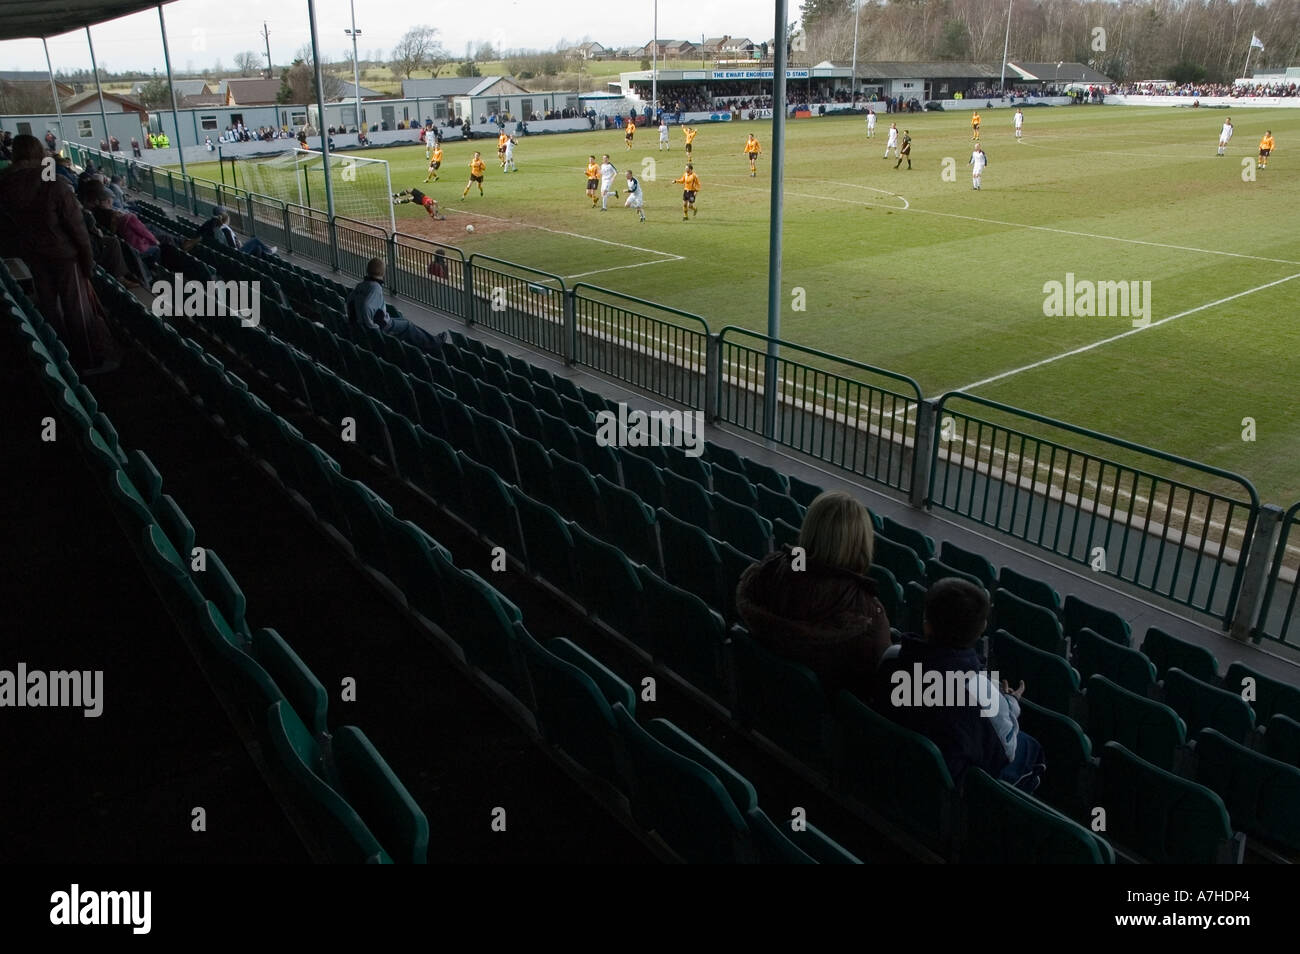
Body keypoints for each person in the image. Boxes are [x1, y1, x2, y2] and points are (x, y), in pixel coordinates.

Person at [874, 579, 1046, 792]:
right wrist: (1011, 703)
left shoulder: (892, 657)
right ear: (981, 629)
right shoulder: (984, 694)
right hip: (941, 795)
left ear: (926, 623)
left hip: (890, 766)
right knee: (1031, 747)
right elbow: (1008, 751)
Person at [735, 491, 892, 701]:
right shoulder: (868, 615)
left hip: (764, 701)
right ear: (861, 544)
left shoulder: (770, 570)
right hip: (826, 724)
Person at [0, 135, 116, 372]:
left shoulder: (5, 183)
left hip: (32, 254)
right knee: (76, 308)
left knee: (49, 305)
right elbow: (77, 227)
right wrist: (87, 260)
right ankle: (87, 360)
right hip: (63, 255)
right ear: (38, 153)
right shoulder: (51, 183)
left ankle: (60, 356)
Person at [347, 257, 447, 354]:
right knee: (408, 326)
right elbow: (366, 307)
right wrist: (372, 327)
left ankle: (429, 341)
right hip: (384, 326)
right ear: (382, 272)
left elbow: (350, 301)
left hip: (371, 325)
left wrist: (354, 320)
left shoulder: (361, 285)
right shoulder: (375, 288)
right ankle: (434, 344)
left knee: (404, 321)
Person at [187, 208, 277, 257]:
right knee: (255, 240)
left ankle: (265, 255)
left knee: (258, 248)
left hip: (227, 254)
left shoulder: (214, 228)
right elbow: (233, 248)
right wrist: (239, 245)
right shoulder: (225, 230)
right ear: (226, 219)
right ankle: (269, 251)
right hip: (237, 255)